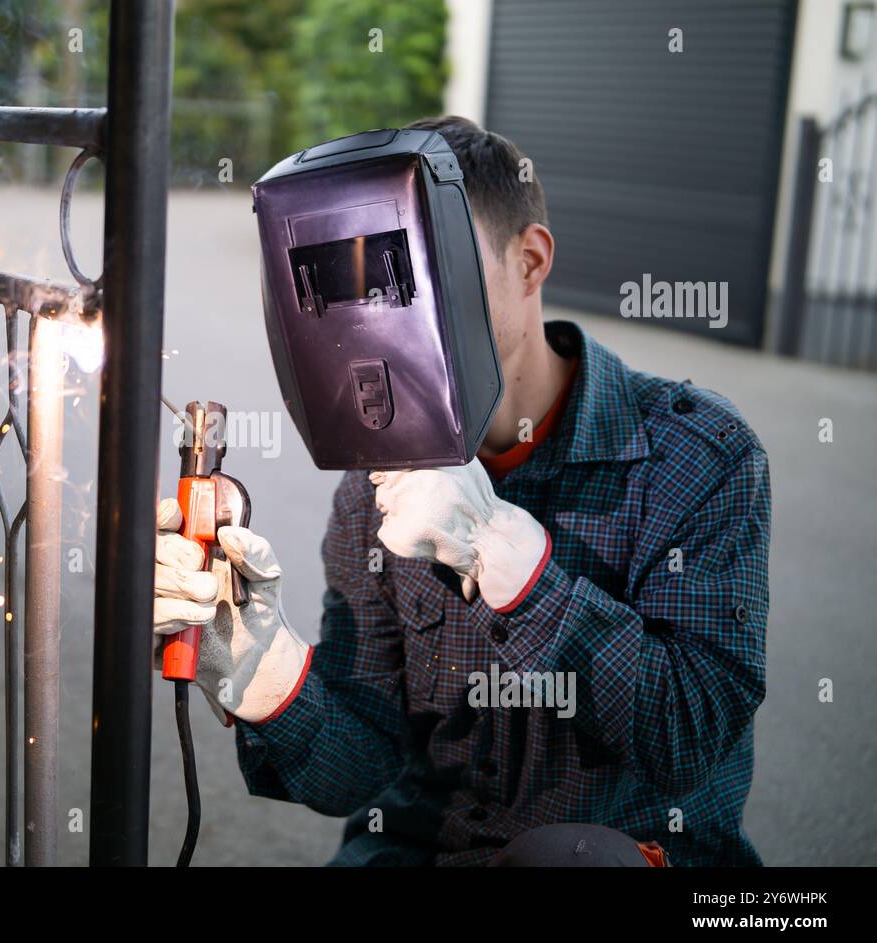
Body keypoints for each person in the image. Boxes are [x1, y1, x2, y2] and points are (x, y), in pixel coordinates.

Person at [152, 116, 770, 866]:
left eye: (417, 264)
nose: (377, 313)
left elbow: (689, 736)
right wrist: (265, 672)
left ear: (530, 261)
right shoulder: (372, 483)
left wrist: (516, 569)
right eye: (349, 283)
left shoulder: (697, 454)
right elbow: (360, 769)